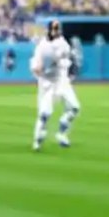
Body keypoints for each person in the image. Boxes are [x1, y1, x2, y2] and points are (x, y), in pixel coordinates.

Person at [30, 20, 81, 150]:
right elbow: (36, 67)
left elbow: (68, 60)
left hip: (62, 81)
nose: (56, 32)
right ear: (49, 30)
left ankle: (62, 133)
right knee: (44, 114)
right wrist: (40, 70)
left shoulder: (63, 44)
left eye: (58, 29)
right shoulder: (42, 46)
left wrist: (70, 68)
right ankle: (38, 140)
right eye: (54, 29)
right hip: (47, 83)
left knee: (74, 107)